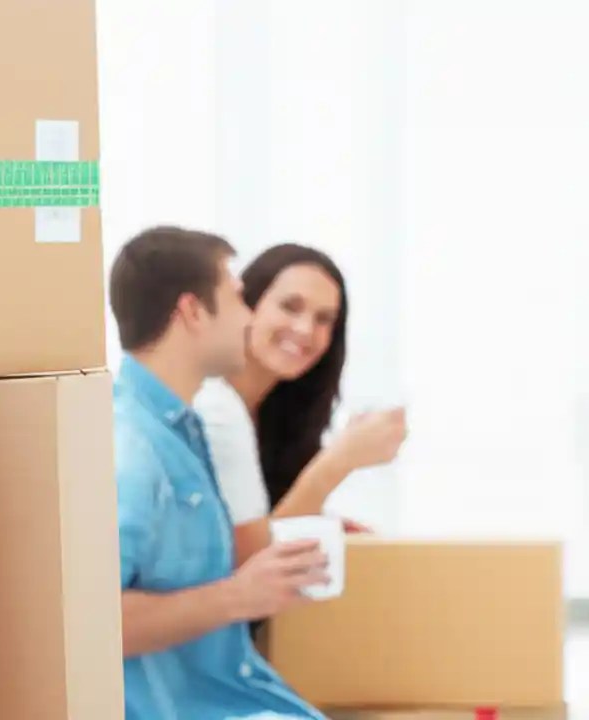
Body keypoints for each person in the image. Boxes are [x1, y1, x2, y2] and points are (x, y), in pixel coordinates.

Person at [110, 226, 329, 720]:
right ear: (192, 311)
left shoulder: (183, 432)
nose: (249, 318)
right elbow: (91, 624)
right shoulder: (129, 449)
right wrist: (240, 595)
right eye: (237, 299)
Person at [194, 243, 408, 569]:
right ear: (247, 305)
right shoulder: (211, 410)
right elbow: (246, 564)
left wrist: (327, 525)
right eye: (290, 307)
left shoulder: (275, 416)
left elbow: (266, 526)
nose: (305, 329)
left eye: (324, 319)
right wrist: (337, 463)